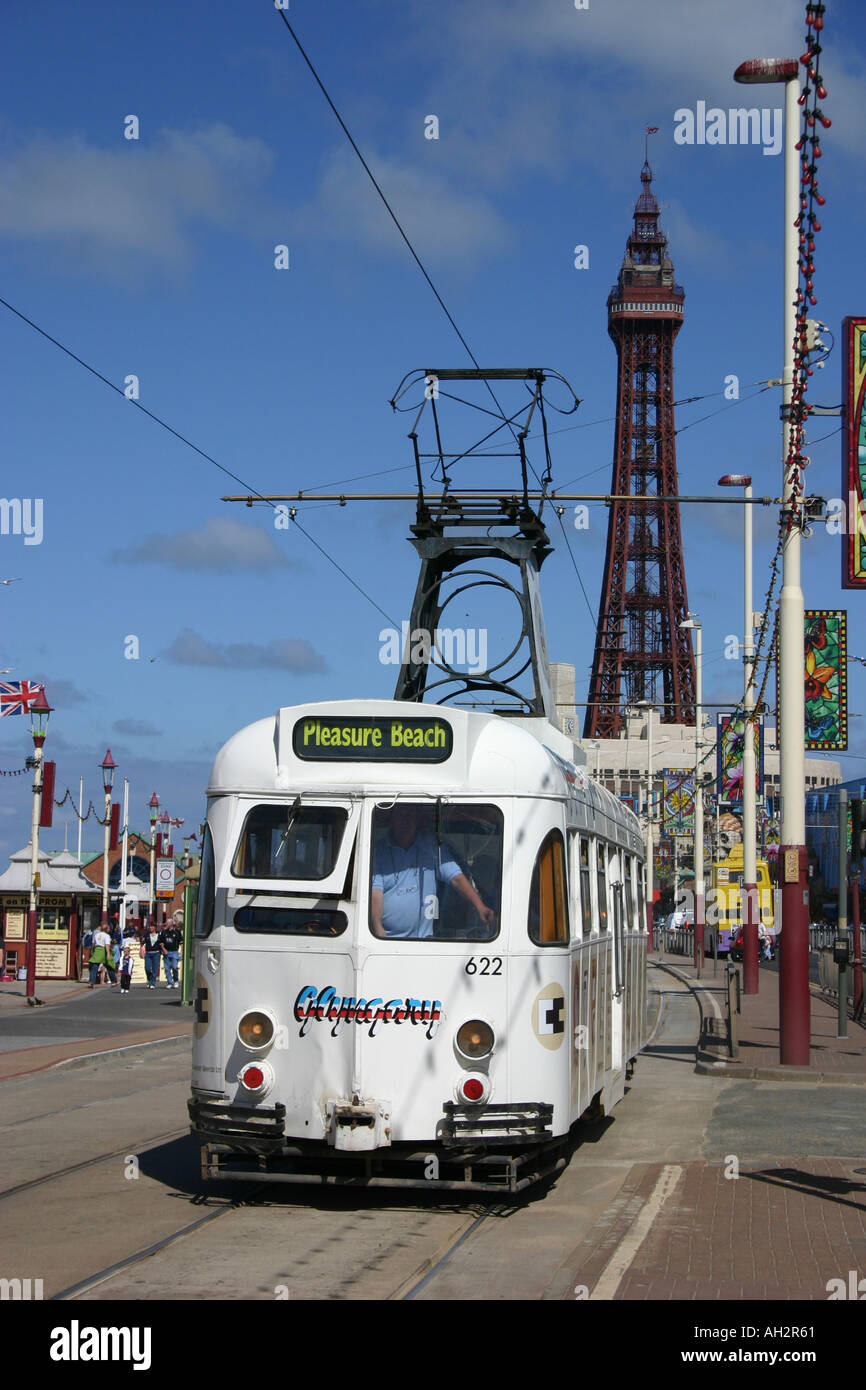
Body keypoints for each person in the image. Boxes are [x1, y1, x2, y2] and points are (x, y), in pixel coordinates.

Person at [370, 803, 495, 940]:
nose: (405, 820)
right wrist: (377, 928)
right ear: (392, 819)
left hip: (425, 940)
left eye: (410, 815)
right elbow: (375, 894)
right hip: (387, 940)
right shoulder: (378, 851)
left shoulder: (431, 847)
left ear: (417, 820)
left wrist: (480, 907)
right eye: (400, 815)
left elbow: (456, 877)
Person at [159, 916, 183, 989]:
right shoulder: (164, 932)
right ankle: (170, 982)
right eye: (166, 922)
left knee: (174, 967)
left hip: (174, 952)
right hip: (166, 952)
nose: (167, 924)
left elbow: (181, 942)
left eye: (168, 922)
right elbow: (161, 942)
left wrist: (181, 952)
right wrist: (163, 949)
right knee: (167, 968)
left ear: (172, 923)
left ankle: (175, 981)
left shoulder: (177, 932)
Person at [143, 922, 162, 989]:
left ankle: (152, 983)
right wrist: (141, 950)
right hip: (148, 953)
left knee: (155, 968)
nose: (150, 928)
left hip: (156, 953)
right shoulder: (147, 934)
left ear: (155, 927)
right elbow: (142, 942)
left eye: (152, 926)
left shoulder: (159, 934)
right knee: (147, 968)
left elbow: (162, 942)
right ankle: (149, 979)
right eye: (150, 926)